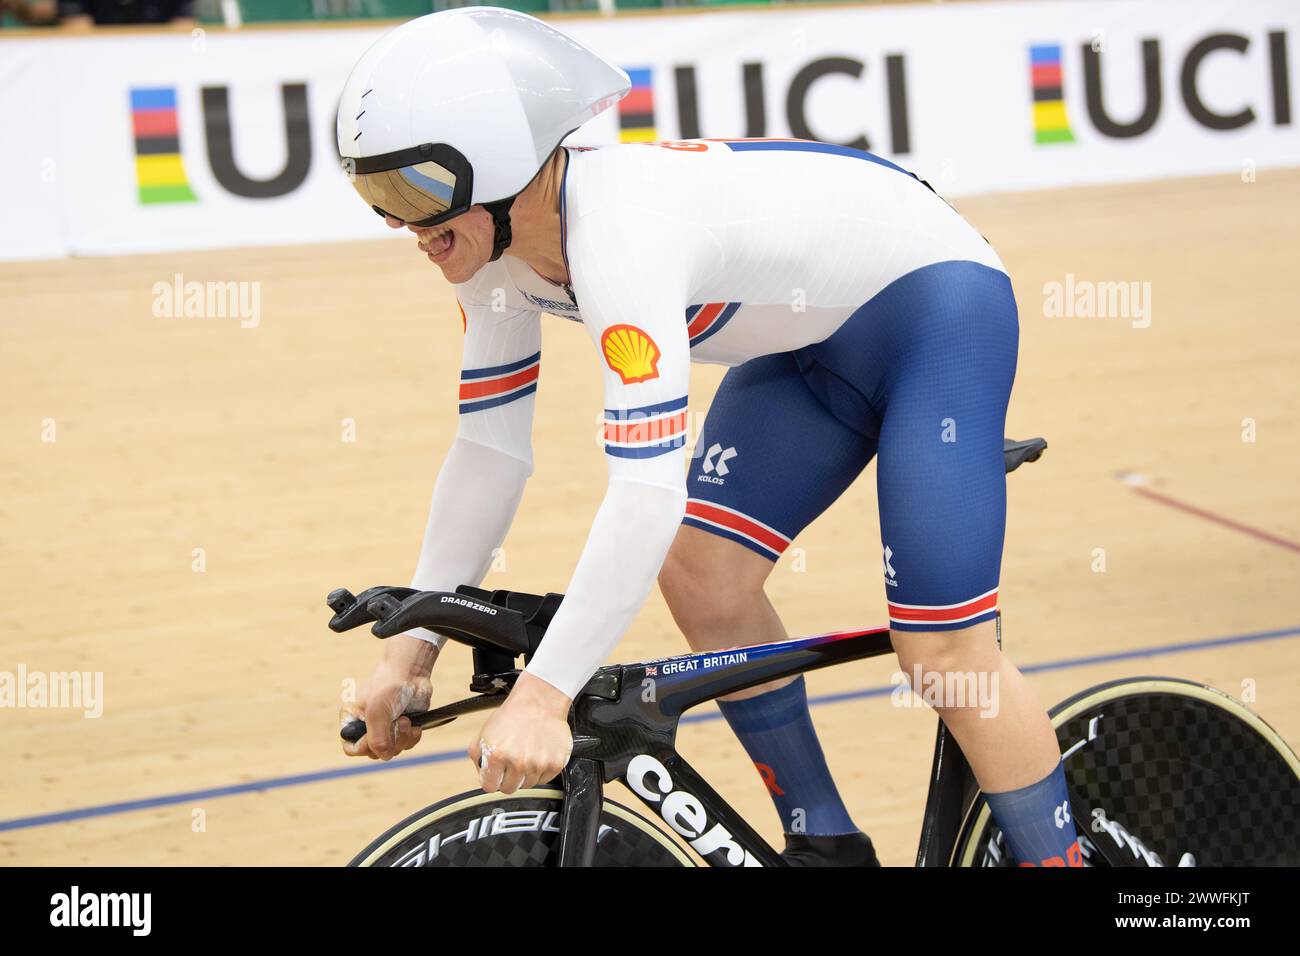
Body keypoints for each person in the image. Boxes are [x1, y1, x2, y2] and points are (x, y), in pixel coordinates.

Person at [336, 7, 1082, 868]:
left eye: (414, 193)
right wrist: (411, 651)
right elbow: (490, 453)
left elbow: (645, 491)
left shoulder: (621, 238)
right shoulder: (491, 253)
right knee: (702, 571)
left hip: (936, 316)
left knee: (942, 650)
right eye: (378, 197)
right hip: (807, 340)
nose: (403, 226)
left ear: (505, 167)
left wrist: (545, 695)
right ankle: (827, 844)